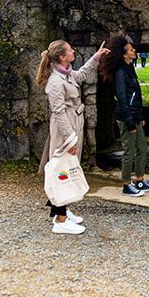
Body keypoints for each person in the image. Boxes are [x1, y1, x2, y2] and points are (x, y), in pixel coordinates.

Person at [36, 39, 110, 235]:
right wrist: (71, 139)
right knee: (62, 171)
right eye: (70, 50)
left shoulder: (66, 74)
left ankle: (63, 211)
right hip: (65, 127)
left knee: (67, 167)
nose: (73, 51)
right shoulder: (55, 82)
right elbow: (58, 112)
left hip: (73, 122)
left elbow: (83, 74)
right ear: (62, 57)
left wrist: (97, 56)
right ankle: (60, 221)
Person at [99, 35, 149, 197]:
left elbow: (136, 94)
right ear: (125, 54)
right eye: (132, 50)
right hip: (126, 117)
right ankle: (126, 184)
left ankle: (140, 180)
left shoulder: (129, 67)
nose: (134, 51)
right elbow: (122, 98)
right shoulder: (119, 71)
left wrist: (140, 116)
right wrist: (130, 122)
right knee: (129, 151)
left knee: (142, 147)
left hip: (135, 116)